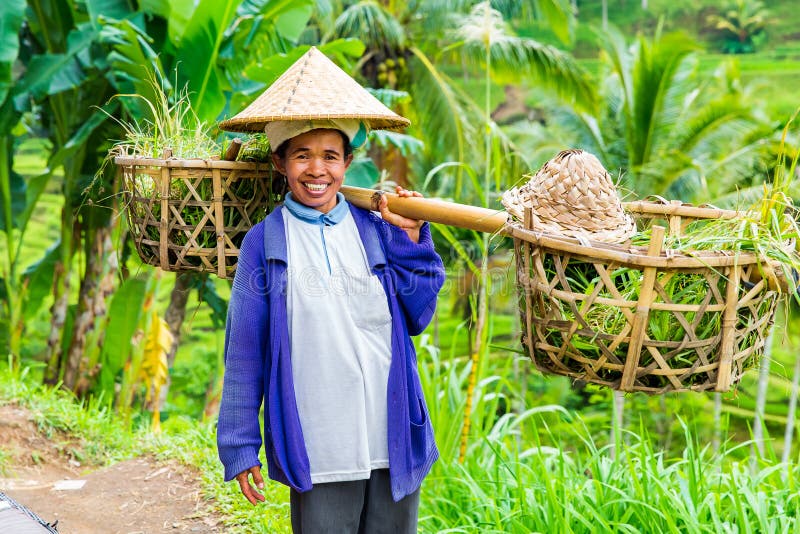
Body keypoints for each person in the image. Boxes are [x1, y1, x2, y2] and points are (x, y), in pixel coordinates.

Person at [216, 120, 445, 533]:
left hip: (389, 430)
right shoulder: (265, 243)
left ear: (347, 164)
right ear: (280, 162)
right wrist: (239, 444)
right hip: (319, 438)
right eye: (302, 155)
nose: (317, 169)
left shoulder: (375, 228)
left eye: (330, 157)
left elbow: (418, 313)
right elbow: (245, 352)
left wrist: (410, 240)